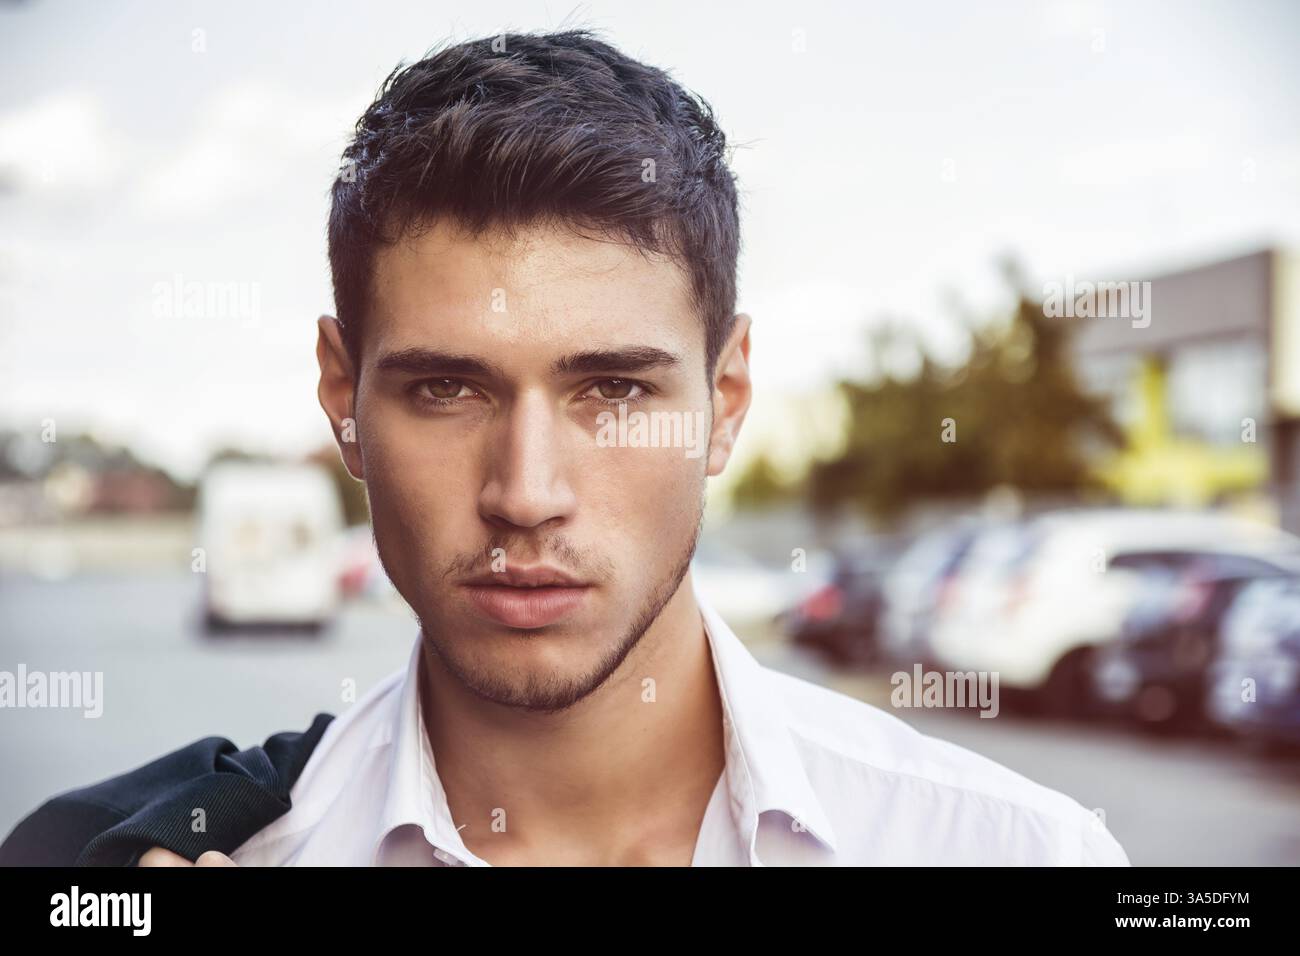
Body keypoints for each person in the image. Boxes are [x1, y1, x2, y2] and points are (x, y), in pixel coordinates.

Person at [144, 29, 1126, 866]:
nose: (525, 494)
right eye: (447, 388)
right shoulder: (202, 855)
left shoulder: (1013, 851)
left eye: (613, 388)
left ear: (725, 398)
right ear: (340, 395)